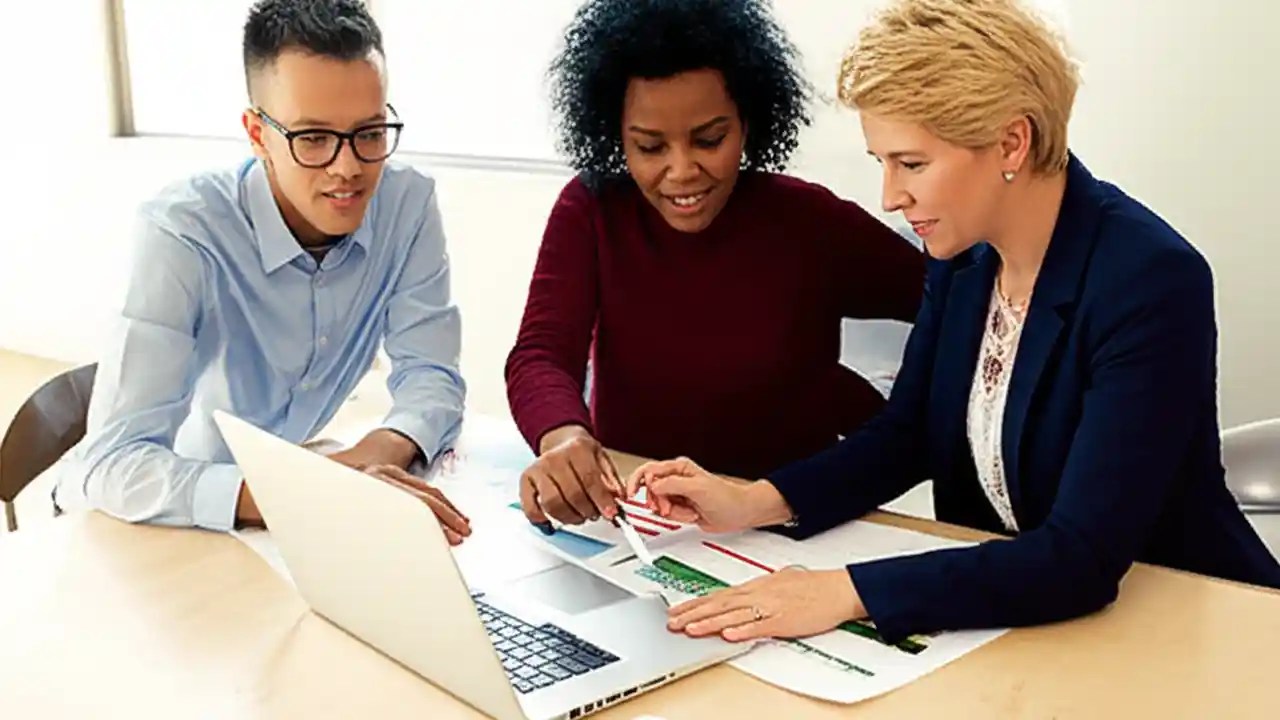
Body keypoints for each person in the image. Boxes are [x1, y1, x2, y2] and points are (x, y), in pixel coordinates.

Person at [628, 0, 1280, 645]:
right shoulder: (965, 257)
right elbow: (908, 434)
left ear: (1011, 141)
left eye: (911, 164)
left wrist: (843, 591)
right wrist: (755, 501)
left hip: (1196, 625)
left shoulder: (1150, 280)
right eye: (880, 161)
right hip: (1025, 622)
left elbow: (1081, 556)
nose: (890, 196)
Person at [54, 0, 470, 544]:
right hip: (148, 523)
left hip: (277, 521)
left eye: (369, 133)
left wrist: (373, 457)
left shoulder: (407, 205)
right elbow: (111, 464)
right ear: (257, 134)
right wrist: (310, 491)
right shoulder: (182, 232)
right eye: (313, 138)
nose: (348, 168)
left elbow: (433, 377)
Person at [506, 0, 924, 529]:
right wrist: (563, 435)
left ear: (748, 120)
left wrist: (873, 413)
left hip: (780, 523)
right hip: (640, 516)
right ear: (616, 136)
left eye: (709, 140)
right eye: (650, 147)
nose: (681, 171)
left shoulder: (808, 221)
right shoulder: (591, 211)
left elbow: (952, 302)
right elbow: (541, 352)